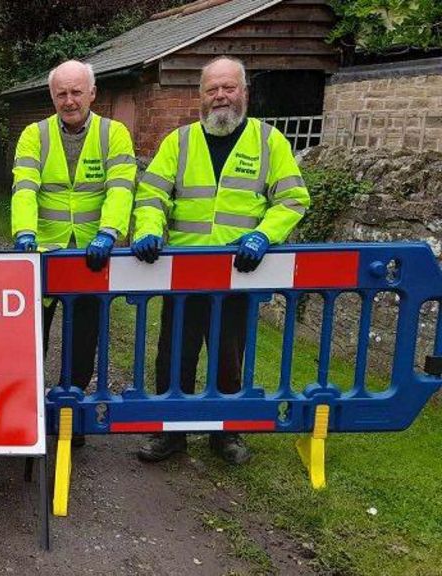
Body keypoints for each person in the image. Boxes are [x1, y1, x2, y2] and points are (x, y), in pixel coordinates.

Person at [130, 56, 311, 464]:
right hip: (183, 272)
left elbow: (292, 198)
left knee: (229, 359)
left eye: (228, 88)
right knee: (174, 356)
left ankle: (225, 434)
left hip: (238, 272)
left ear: (244, 92)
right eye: (212, 89)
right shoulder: (179, 142)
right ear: (200, 96)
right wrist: (148, 228)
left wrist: (264, 235)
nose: (220, 96)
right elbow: (152, 195)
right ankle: (169, 434)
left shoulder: (269, 142)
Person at [10, 60, 136, 445]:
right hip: (43, 254)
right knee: (31, 336)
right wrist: (25, 233)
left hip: (90, 254)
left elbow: (120, 187)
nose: (69, 100)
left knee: (83, 336)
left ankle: (71, 411)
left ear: (92, 94)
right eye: (61, 93)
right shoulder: (34, 135)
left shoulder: (114, 134)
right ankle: (29, 411)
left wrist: (108, 233)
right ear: (52, 96)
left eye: (76, 92)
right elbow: (25, 187)